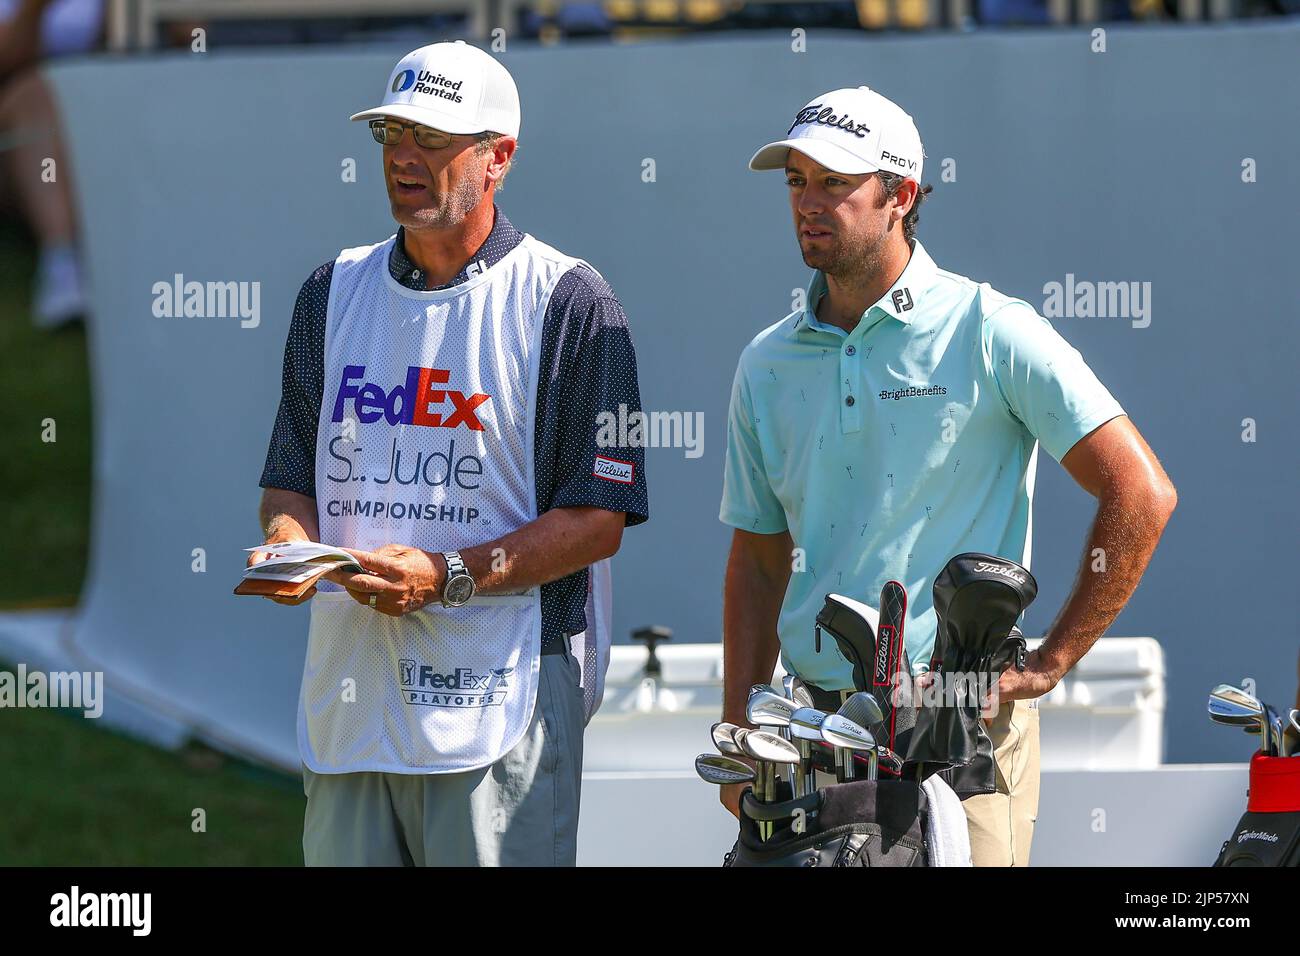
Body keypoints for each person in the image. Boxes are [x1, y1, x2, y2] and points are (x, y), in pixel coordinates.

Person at [718, 86, 1176, 866]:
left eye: (836, 182)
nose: (808, 202)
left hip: (959, 717)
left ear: (900, 196)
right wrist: (738, 731)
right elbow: (760, 560)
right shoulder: (766, 362)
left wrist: (1049, 664)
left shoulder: (991, 328)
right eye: (797, 181)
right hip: (813, 732)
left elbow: (1140, 492)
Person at [250, 40, 649, 866]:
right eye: (392, 132)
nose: (402, 155)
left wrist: (447, 576)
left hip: (502, 693)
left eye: (432, 138)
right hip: (353, 699)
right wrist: (290, 546)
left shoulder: (570, 300)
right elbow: (291, 477)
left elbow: (598, 520)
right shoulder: (331, 292)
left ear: (498, 156)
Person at [0, 0, 100, 329]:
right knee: (37, 95)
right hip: (20, 135)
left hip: (92, 112)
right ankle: (62, 260)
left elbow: (183, 40)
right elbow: (10, 60)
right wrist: (35, 9)